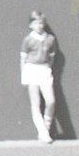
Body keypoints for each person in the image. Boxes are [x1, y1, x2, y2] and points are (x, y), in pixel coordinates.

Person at [20, 11, 58, 144]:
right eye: (36, 23)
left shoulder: (50, 39)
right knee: (35, 104)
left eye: (41, 23)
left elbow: (52, 58)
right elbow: (23, 59)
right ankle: (43, 133)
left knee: (51, 101)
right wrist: (24, 76)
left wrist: (47, 68)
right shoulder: (28, 40)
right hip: (31, 70)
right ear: (31, 25)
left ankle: (46, 128)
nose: (39, 25)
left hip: (45, 70)